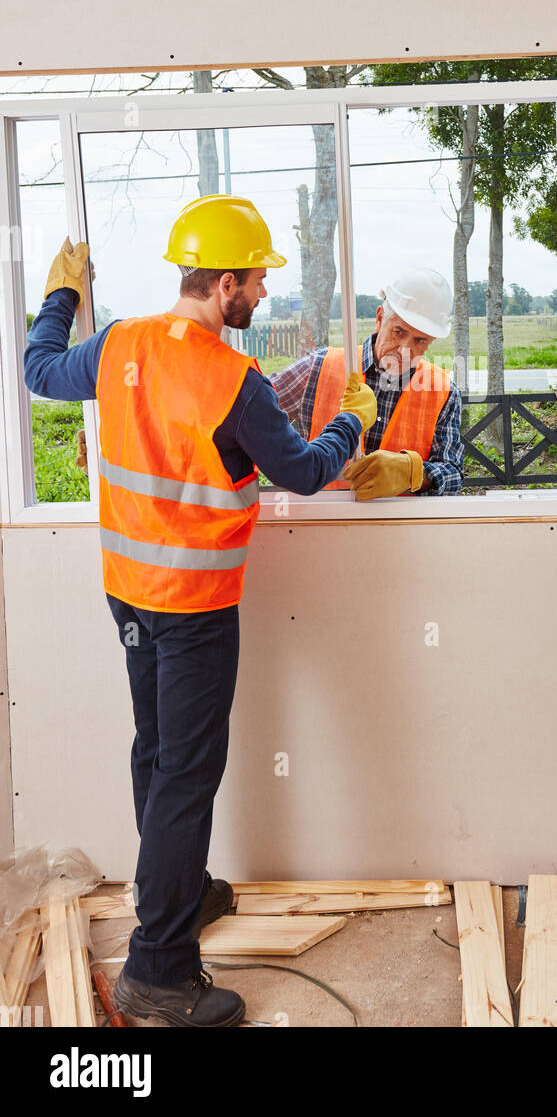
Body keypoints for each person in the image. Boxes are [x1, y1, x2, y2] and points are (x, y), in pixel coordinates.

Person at [23, 196, 377, 1028]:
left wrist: (61, 298)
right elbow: (301, 470)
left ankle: (177, 890)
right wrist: (355, 420)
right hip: (194, 606)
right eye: (257, 280)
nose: (263, 294)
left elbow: (41, 371)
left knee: (158, 752)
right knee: (186, 773)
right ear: (224, 284)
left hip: (130, 593)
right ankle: (159, 968)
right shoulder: (234, 380)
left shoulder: (117, 345)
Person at [271, 268, 464, 499]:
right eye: (398, 332)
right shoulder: (317, 367)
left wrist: (413, 474)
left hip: (399, 527)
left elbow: (453, 473)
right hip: (319, 521)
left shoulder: (443, 391)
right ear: (380, 318)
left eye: (419, 340)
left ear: (430, 342)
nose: (404, 350)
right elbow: (254, 416)